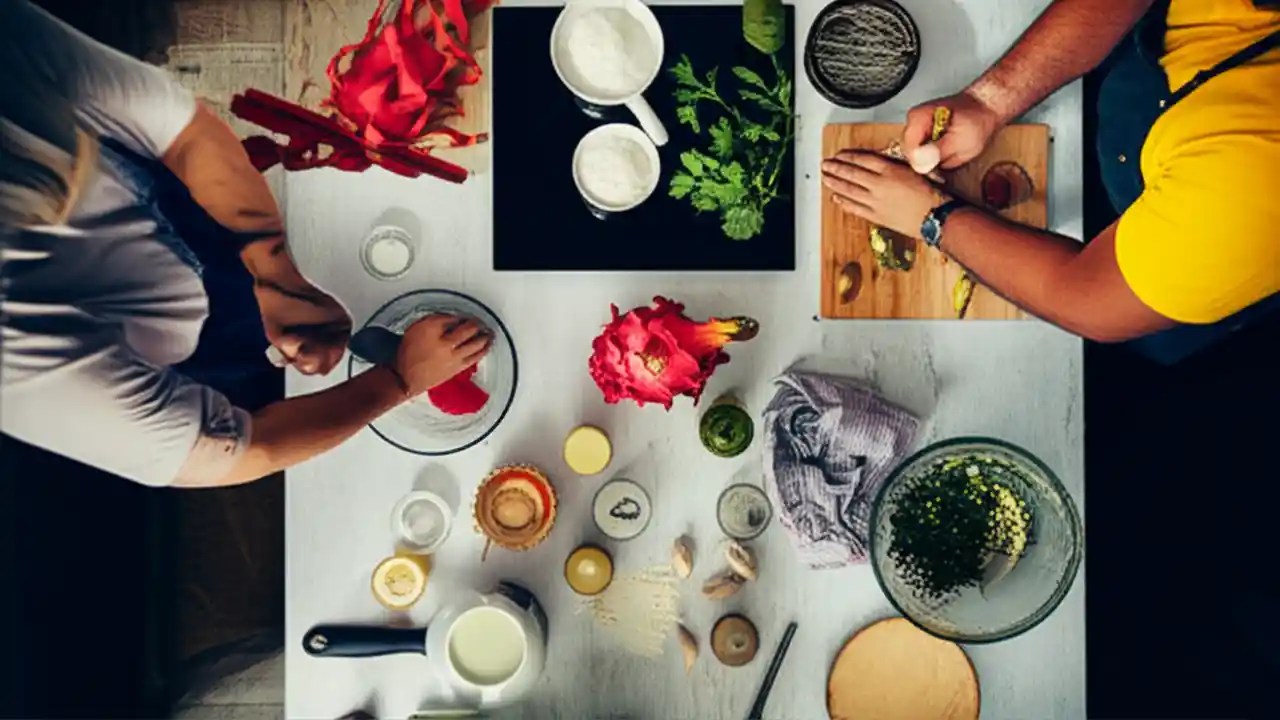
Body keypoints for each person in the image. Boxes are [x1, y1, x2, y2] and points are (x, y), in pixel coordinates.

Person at [0, 0, 490, 488]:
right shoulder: (11, 363)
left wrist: (274, 274)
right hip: (187, 360)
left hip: (192, 213)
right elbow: (241, 449)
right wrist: (399, 381)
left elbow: (184, 137)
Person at [821, 0, 1279, 364]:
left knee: (1147, 338)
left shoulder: (1255, 183)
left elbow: (1087, 298)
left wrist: (931, 216)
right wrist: (990, 101)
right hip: (1160, 114)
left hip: (1193, 263)